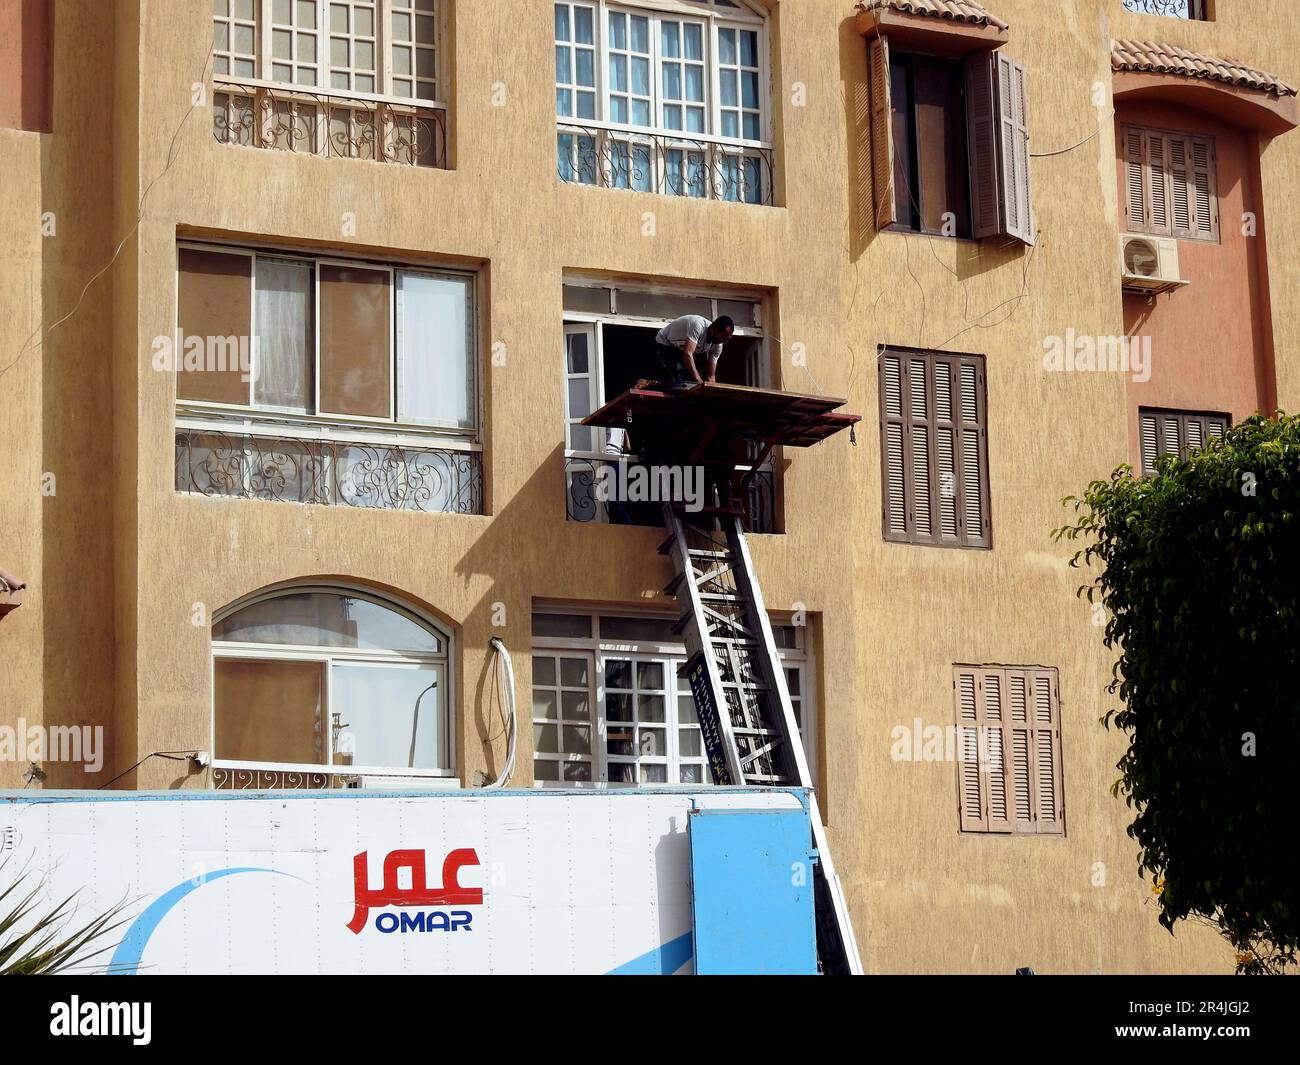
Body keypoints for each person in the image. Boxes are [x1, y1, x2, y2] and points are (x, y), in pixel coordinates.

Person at [653, 314, 734, 387]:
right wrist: (699, 382)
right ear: (715, 330)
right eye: (723, 337)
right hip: (666, 343)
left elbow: (711, 376)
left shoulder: (718, 345)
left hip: (683, 348)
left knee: (696, 378)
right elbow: (687, 354)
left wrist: (711, 392)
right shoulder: (698, 325)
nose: (724, 342)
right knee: (680, 376)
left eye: (727, 339)